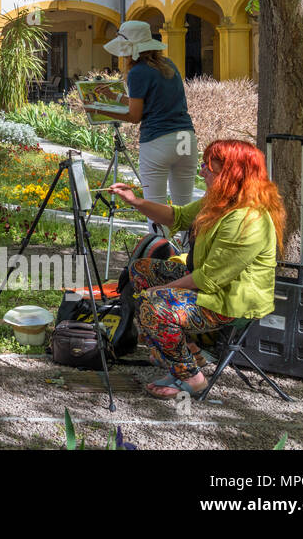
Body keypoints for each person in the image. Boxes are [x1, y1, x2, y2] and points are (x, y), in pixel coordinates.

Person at [109, 139, 284, 401]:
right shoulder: (221, 202)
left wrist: (160, 292)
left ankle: (191, 376)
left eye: (208, 168)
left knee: (154, 305)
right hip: (210, 287)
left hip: (230, 301)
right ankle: (180, 347)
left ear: (230, 174)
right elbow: (176, 217)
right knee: (141, 269)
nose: (202, 171)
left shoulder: (248, 219)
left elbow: (209, 278)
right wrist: (135, 201)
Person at [87, 20, 197, 205]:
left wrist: (99, 109)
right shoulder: (168, 65)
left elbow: (134, 116)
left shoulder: (138, 72)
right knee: (185, 207)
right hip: (185, 138)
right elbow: (150, 103)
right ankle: (189, 236)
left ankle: (159, 236)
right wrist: (114, 97)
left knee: (155, 206)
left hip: (158, 140)